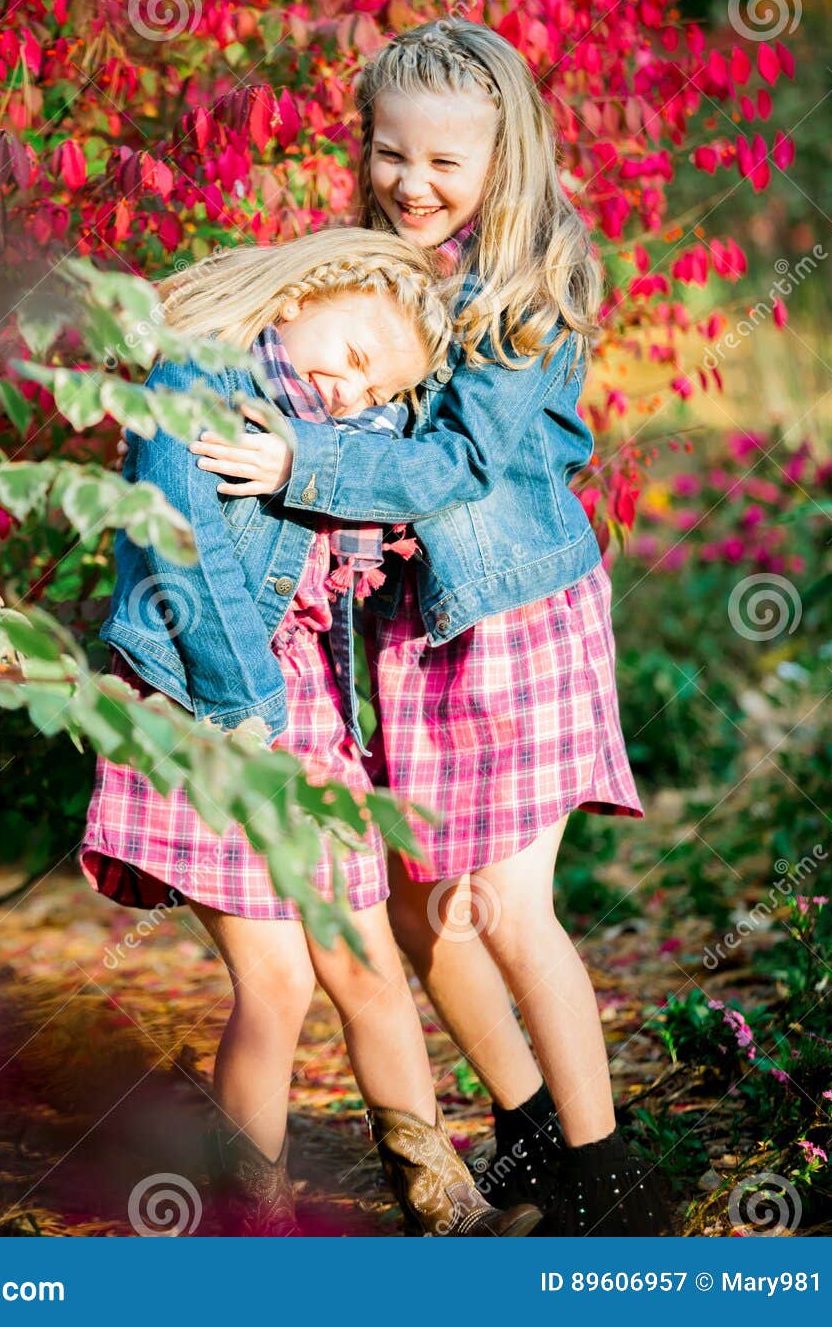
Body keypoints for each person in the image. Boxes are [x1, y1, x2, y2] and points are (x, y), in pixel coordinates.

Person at [189, 20, 671, 1236]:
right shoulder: (381, 260)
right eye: (388, 154)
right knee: (417, 906)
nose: (411, 184)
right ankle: (526, 1139)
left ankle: (608, 1179)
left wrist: (303, 456)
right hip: (411, 628)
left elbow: (456, 460)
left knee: (506, 906)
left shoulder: (526, 279)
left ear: (506, 159)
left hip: (508, 617)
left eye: (444, 164)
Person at [83, 227, 541, 1238]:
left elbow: (409, 482)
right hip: (205, 714)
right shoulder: (199, 367)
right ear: (326, 285)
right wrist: (242, 709)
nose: (358, 389)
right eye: (363, 357)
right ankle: (256, 1227)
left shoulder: (334, 425)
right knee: (278, 980)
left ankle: (445, 1206)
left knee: (370, 970)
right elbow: (177, 539)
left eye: (381, 385)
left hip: (310, 722)